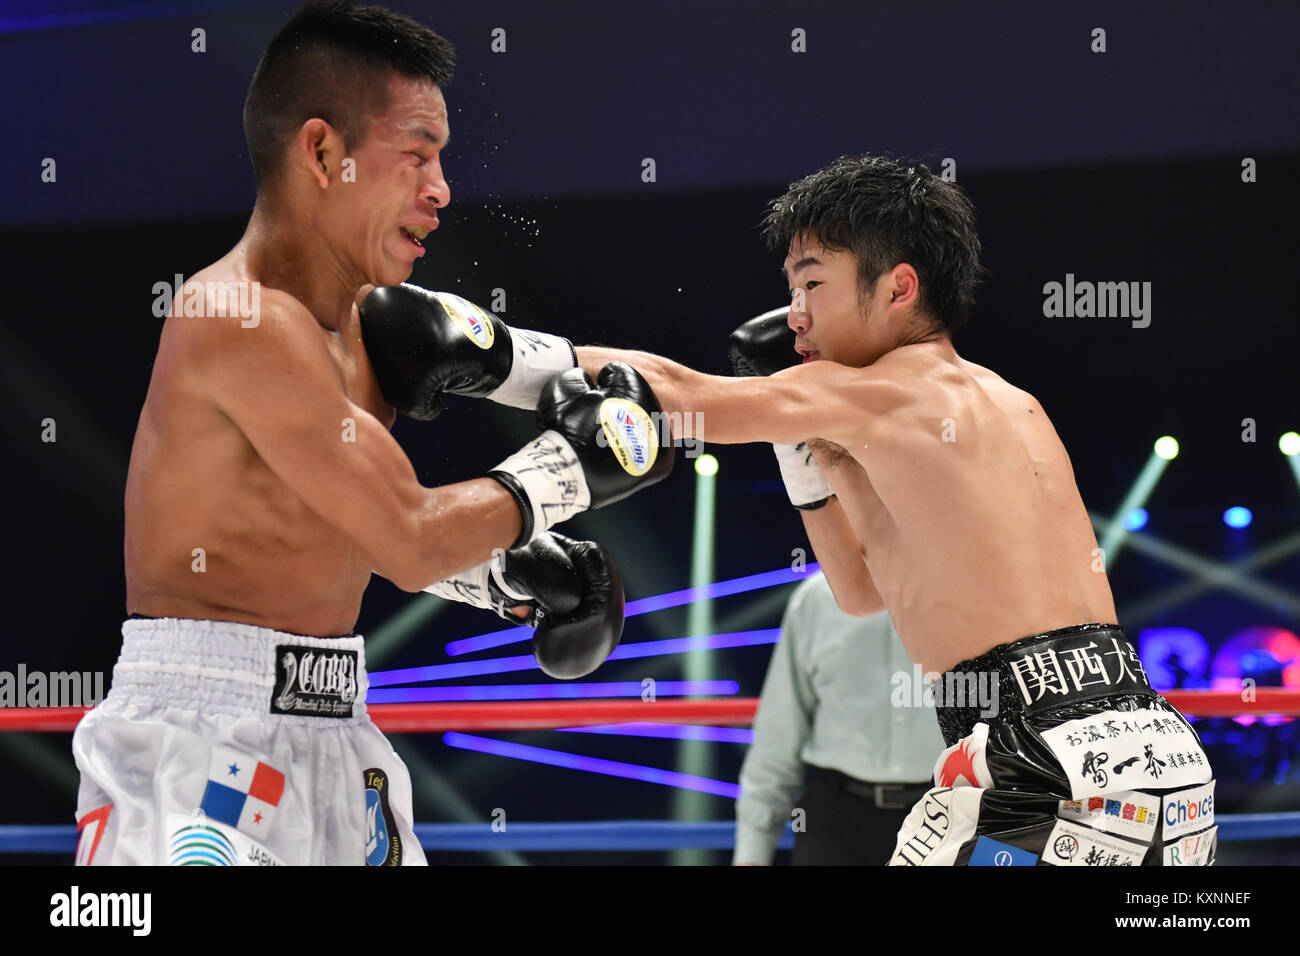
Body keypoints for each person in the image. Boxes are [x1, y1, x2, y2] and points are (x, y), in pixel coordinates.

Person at [407, 154, 1217, 866]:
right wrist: (799, 441)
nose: (795, 314)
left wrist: (493, 352)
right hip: (1155, 756)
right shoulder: (1005, 405)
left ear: (900, 287)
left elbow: (677, 395)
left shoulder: (888, 391)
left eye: (814, 284)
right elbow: (862, 591)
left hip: (1033, 758)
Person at [71, 1, 670, 867]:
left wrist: (498, 576)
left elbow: (358, 535)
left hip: (340, 735)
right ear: (322, 152)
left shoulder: (366, 330)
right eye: (419, 154)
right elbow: (410, 538)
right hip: (199, 739)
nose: (442, 188)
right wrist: (569, 468)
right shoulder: (233, 315)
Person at [733, 571, 943, 866]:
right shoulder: (816, 599)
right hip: (836, 818)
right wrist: (751, 855)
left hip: (943, 811)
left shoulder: (961, 592)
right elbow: (778, 734)